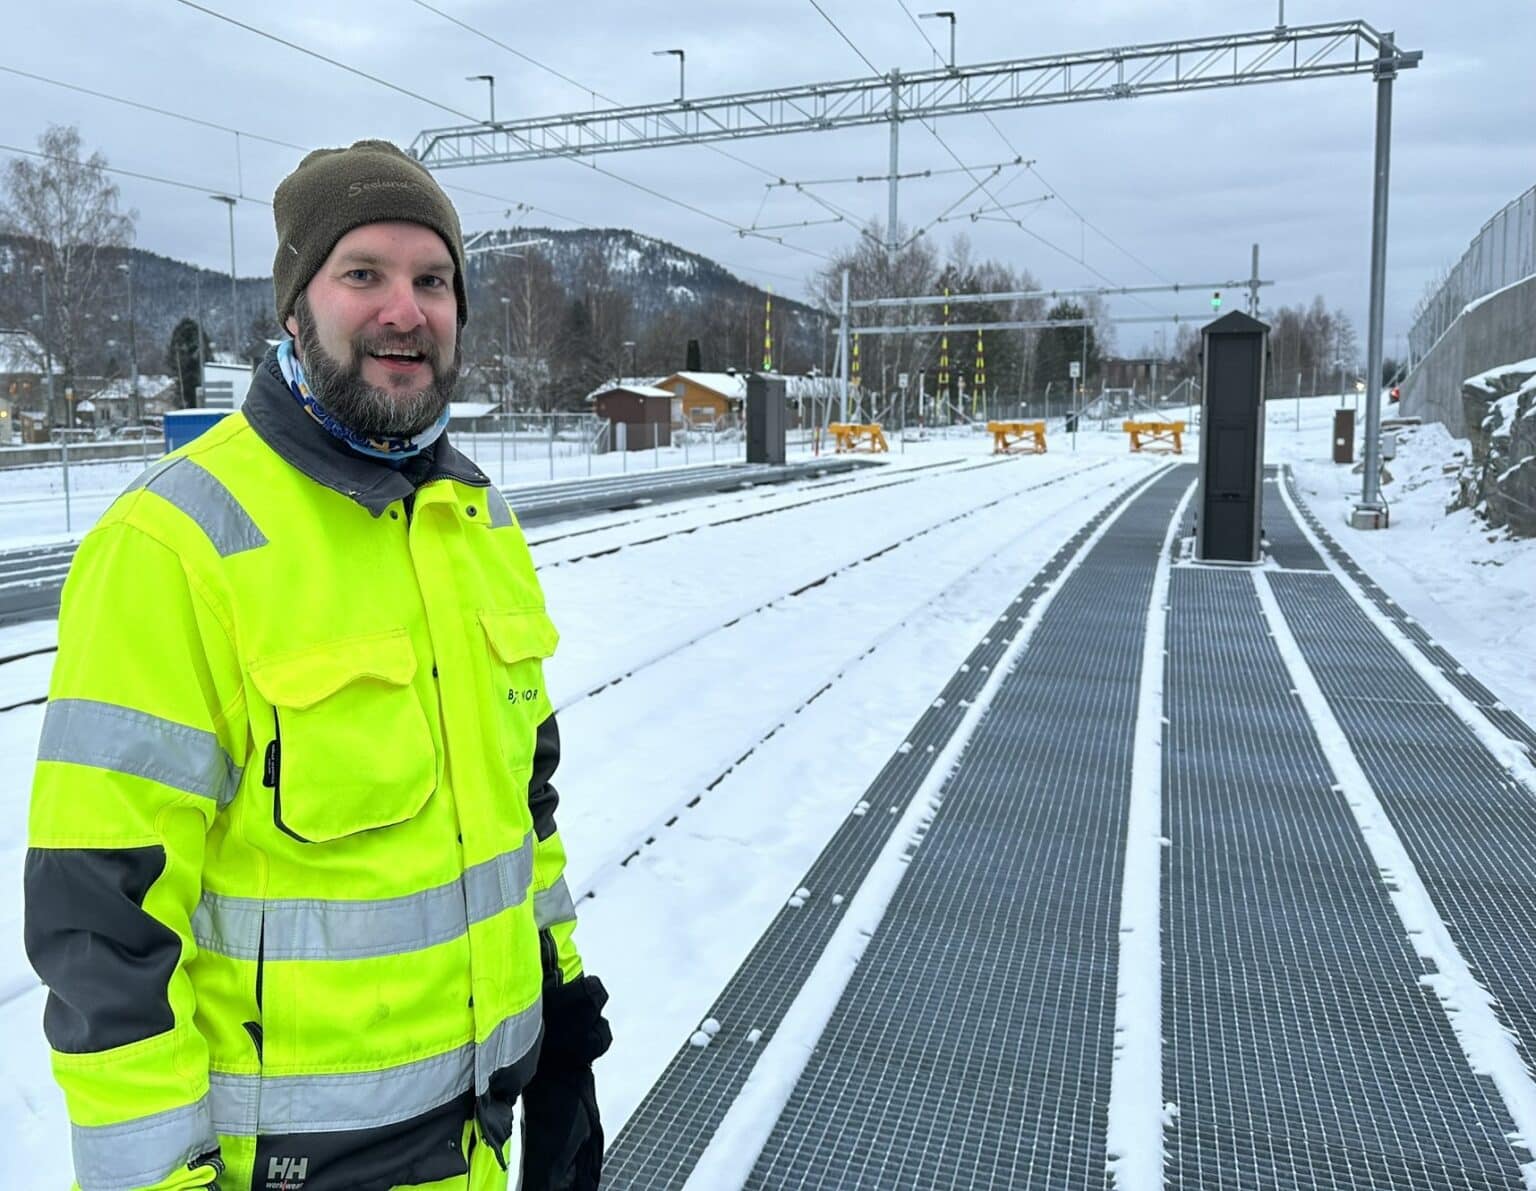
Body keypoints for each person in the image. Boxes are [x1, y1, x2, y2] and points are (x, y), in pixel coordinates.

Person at [25, 139, 610, 1191]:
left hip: (477, 1137)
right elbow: (102, 922)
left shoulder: (477, 521)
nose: (405, 311)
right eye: (363, 274)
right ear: (295, 307)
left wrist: (562, 1017)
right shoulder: (174, 542)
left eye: (433, 280)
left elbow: (524, 813)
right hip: (292, 1168)